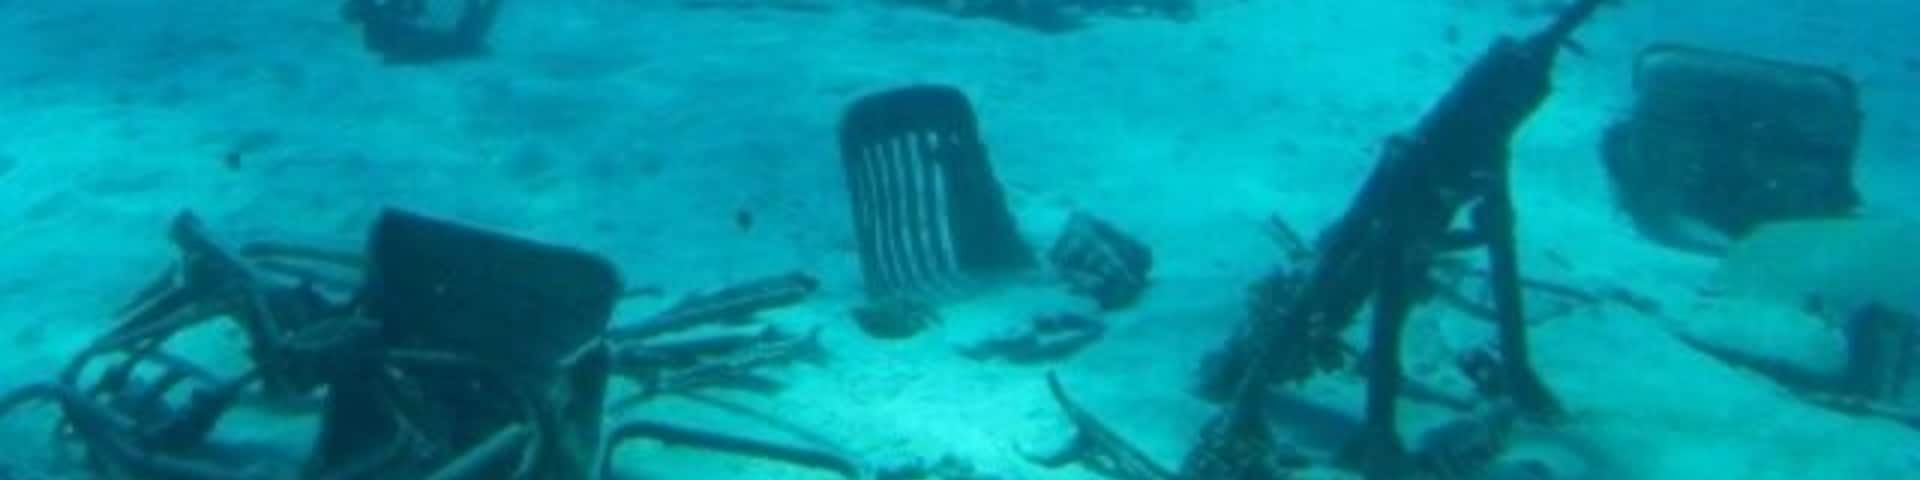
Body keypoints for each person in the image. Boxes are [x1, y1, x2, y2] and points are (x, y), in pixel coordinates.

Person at [341, 0, 503, 63]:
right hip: (401, 44)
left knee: (466, 38)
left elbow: (415, 11)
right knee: (467, 39)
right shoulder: (376, 22)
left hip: (402, 42)